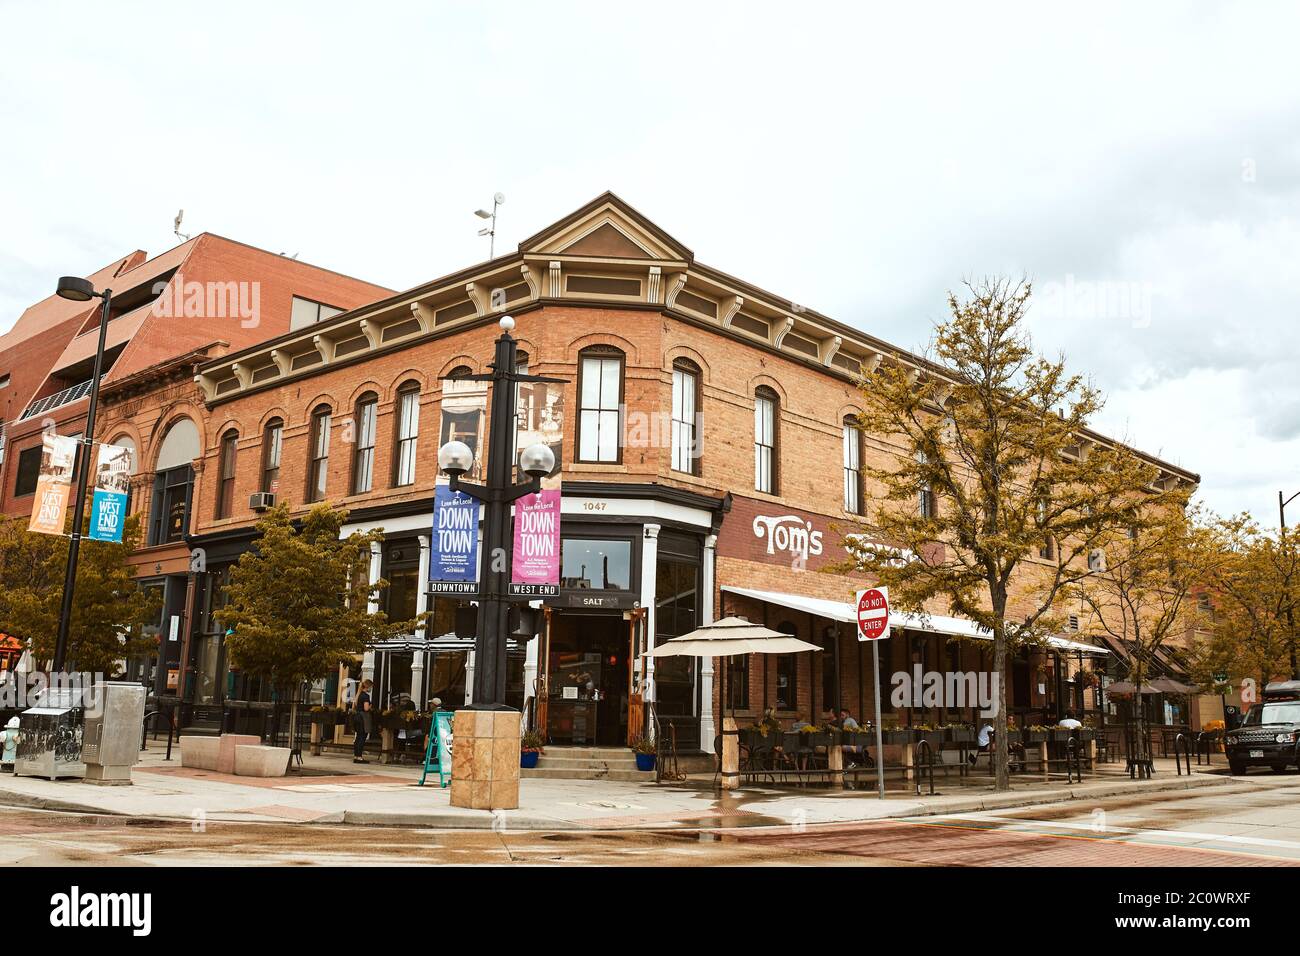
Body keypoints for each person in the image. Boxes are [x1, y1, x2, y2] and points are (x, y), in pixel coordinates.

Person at [352, 679, 373, 764]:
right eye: (371, 687)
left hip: (357, 717)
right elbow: (366, 708)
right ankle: (359, 757)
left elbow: (354, 706)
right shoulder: (366, 696)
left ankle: (356, 755)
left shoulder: (358, 695)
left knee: (358, 737)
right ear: (368, 686)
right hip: (363, 718)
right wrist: (371, 705)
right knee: (362, 737)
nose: (371, 689)